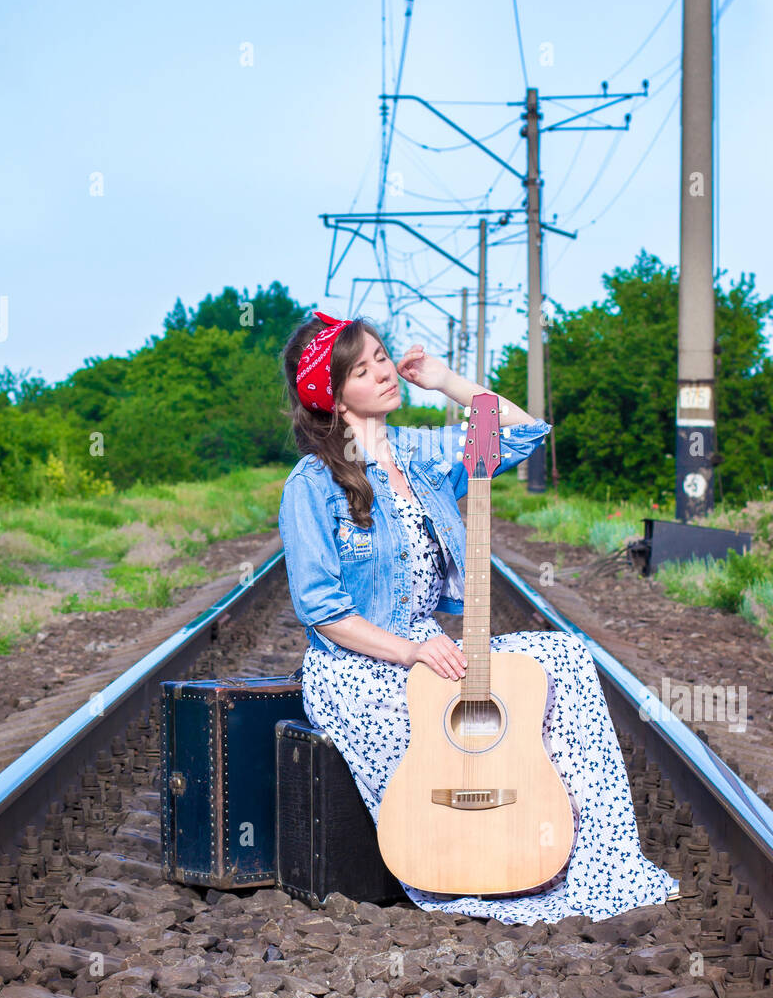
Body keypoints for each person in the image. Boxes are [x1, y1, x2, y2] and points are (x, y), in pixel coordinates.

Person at [278, 310, 679, 924]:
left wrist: (445, 381)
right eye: (362, 370)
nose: (384, 372)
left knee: (565, 658)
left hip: (427, 647)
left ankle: (599, 859)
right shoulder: (313, 485)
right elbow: (322, 612)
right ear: (331, 398)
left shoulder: (420, 456)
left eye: (382, 356)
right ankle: (463, 850)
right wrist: (411, 651)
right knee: (452, 712)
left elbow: (521, 431)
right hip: (360, 664)